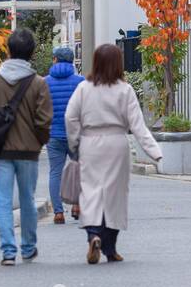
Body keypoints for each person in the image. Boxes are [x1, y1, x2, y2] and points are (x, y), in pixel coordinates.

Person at [65, 44, 161, 264]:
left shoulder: (84, 88)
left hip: (90, 144)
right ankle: (110, 248)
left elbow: (70, 117)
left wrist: (75, 141)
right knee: (115, 196)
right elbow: (138, 125)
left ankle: (93, 235)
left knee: (91, 193)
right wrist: (154, 151)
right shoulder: (124, 89)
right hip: (117, 144)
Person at [0, 29, 53, 266]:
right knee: (27, 199)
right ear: (32, 52)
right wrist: (38, 141)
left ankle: (8, 250)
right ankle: (28, 247)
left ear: (8, 50)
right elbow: (44, 119)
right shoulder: (38, 83)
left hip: (1, 151)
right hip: (29, 151)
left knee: (4, 200)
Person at [44, 45, 84, 224]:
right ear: (72, 61)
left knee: (55, 173)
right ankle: (77, 205)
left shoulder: (44, 82)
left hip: (53, 134)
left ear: (54, 60)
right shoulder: (81, 82)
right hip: (76, 135)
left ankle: (58, 212)